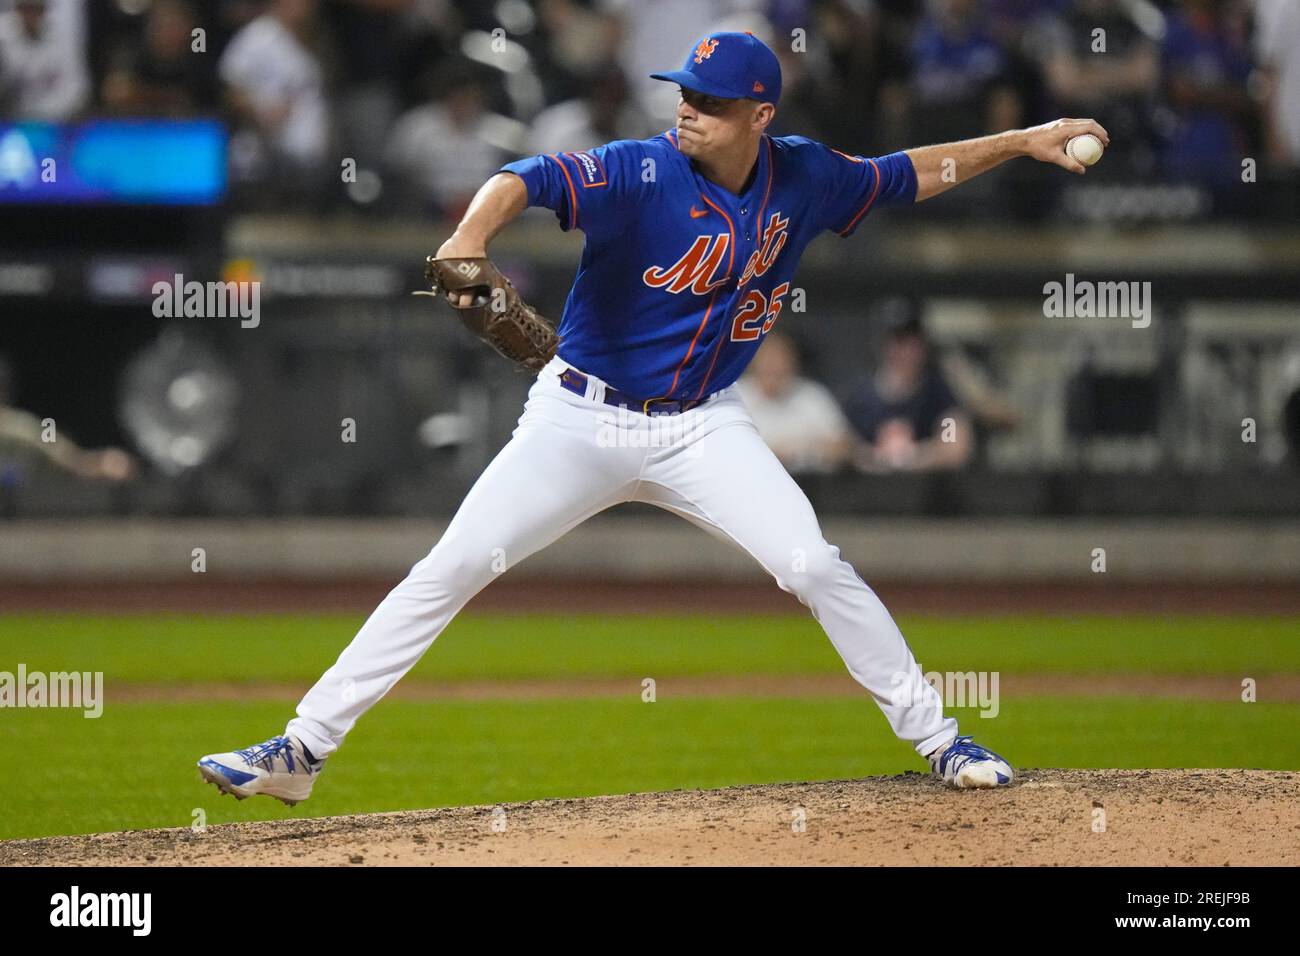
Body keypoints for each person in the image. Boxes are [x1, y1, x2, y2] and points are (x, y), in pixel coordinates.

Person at [198, 31, 1109, 804]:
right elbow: (527, 176)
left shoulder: (806, 178)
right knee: (454, 565)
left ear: (761, 117)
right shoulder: (637, 170)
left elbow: (910, 172)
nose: (688, 109)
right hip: (577, 418)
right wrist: (470, 237)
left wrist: (1024, 138)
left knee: (811, 564)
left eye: (711, 101)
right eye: (685, 92)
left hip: (703, 425)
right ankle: (300, 752)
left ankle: (942, 741)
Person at [843, 311, 974, 472]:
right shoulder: (861, 397)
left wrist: (911, 457)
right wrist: (875, 458)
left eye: (913, 343)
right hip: (871, 491)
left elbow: (954, 447)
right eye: (898, 342)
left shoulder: (940, 393)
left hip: (928, 492)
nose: (906, 352)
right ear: (884, 345)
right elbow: (843, 448)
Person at [734, 332, 851, 474]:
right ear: (753, 361)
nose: (774, 367)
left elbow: (843, 446)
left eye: (780, 359)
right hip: (748, 480)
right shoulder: (735, 396)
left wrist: (800, 452)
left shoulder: (811, 396)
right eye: (768, 360)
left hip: (809, 486)